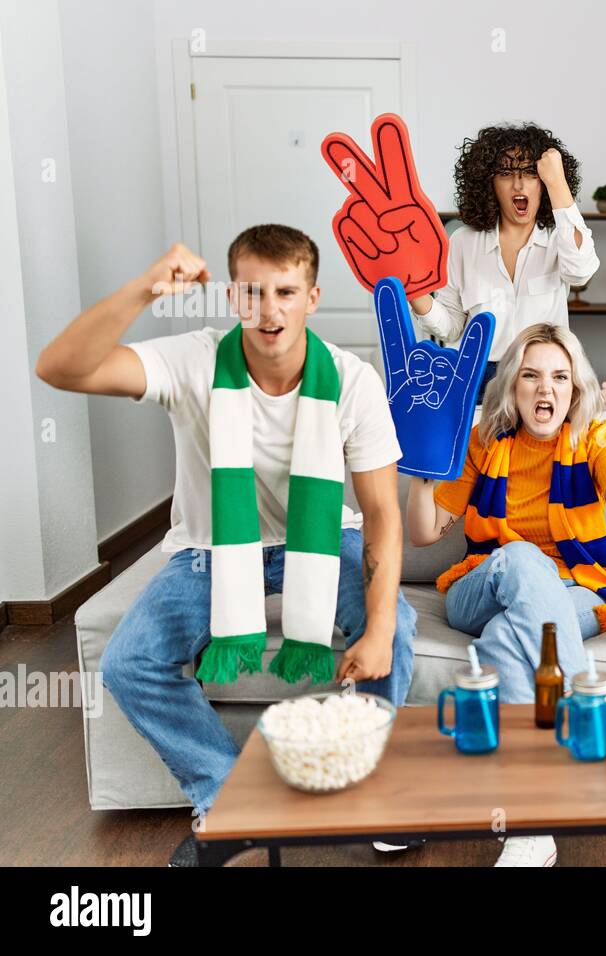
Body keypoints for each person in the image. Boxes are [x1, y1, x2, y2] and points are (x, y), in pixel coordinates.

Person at [35, 226, 416, 866]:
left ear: (313, 297)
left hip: (323, 545)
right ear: (234, 298)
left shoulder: (352, 382)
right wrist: (144, 289)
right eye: (252, 293)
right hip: (210, 553)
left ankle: (371, 786)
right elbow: (59, 367)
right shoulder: (193, 360)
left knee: (397, 630)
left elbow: (381, 515)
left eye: (286, 292)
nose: (269, 311)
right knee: (128, 662)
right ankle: (231, 799)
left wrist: (377, 627)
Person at [406, 322, 606, 866]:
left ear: (575, 389)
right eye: (531, 376)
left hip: (578, 592)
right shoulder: (482, 440)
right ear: (512, 387)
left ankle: (529, 825)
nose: (546, 389)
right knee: (521, 557)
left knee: (505, 639)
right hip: (479, 584)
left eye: (560, 378)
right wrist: (424, 455)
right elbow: (425, 532)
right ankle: (575, 716)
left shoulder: (594, 437)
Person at [409, 124, 597, 403]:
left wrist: (558, 183)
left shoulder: (561, 237)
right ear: (489, 184)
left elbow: (581, 272)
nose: (519, 184)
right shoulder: (463, 242)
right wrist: (412, 290)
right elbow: (450, 327)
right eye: (506, 173)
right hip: (479, 380)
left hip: (545, 378)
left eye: (531, 173)